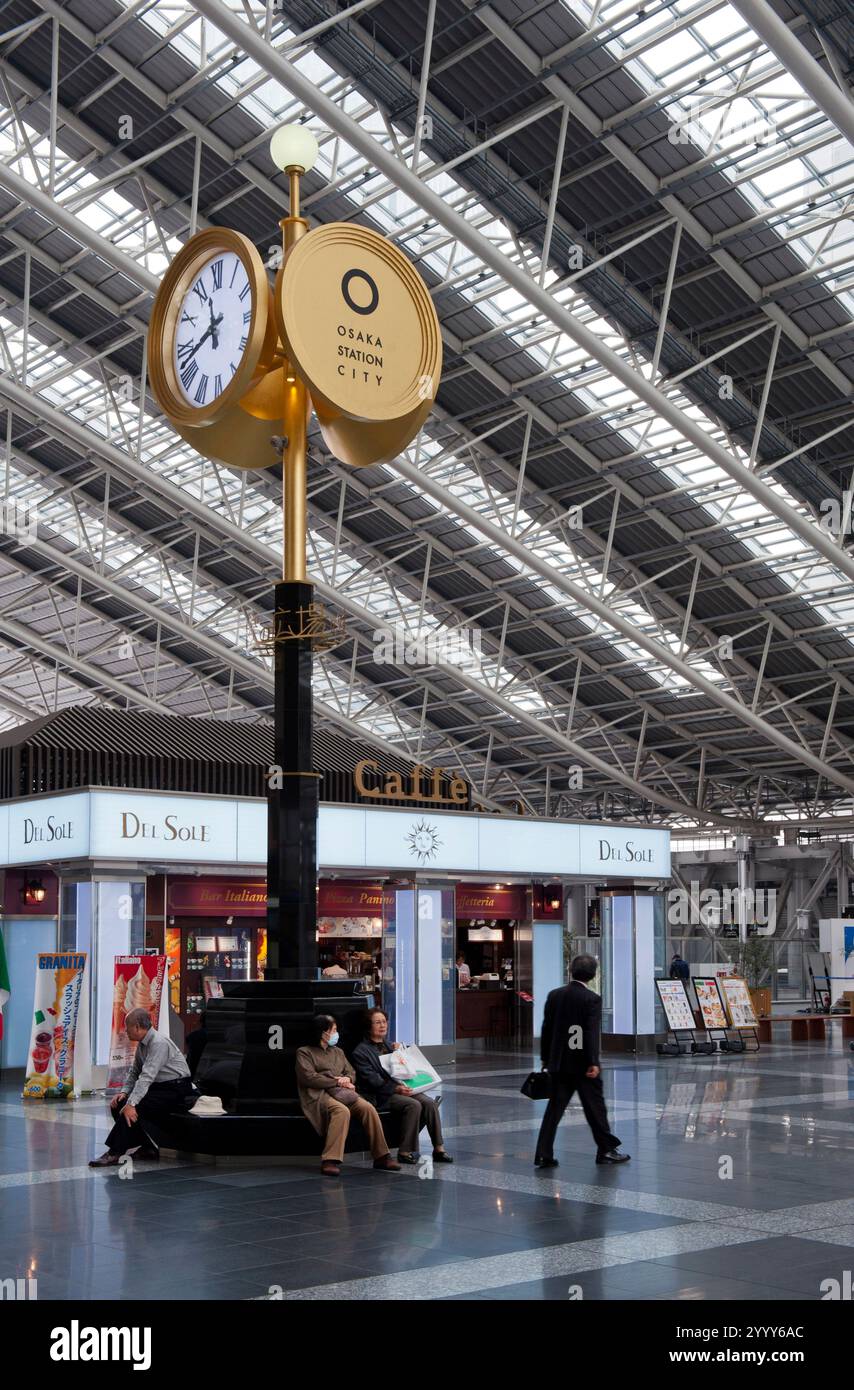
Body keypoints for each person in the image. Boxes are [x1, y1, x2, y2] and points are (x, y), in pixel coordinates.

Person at [534, 955, 630, 1169]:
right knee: (595, 1107)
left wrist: (545, 1058)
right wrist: (593, 1061)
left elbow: (546, 1028)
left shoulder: (555, 995)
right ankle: (606, 1150)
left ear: (571, 970)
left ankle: (543, 1153)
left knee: (554, 1110)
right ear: (593, 974)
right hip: (582, 1065)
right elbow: (590, 1033)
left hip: (559, 1063)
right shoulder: (592, 999)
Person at [295, 1014, 400, 1177]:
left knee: (367, 1108)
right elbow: (309, 1078)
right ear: (323, 1033)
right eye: (334, 1030)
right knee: (341, 1111)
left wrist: (348, 1079)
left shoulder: (338, 1051)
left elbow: (351, 1071)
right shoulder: (304, 1052)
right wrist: (336, 1081)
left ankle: (381, 1156)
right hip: (319, 1095)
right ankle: (330, 1160)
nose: (337, 1034)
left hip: (343, 1093)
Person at [89, 1008, 197, 1167]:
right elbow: (135, 1072)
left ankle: (114, 1152)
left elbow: (147, 1076)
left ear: (138, 1027)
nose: (126, 1031)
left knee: (133, 1107)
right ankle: (147, 1146)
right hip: (160, 1087)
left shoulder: (159, 1043)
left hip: (177, 1089)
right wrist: (124, 1093)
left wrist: (132, 1104)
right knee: (119, 1104)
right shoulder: (143, 1044)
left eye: (128, 1028)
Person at [352, 1007, 453, 1166]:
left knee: (429, 1103)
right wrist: (395, 1089)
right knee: (413, 1105)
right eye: (377, 1022)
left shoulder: (389, 1045)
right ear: (368, 1026)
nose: (382, 1025)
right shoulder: (361, 1051)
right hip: (381, 1094)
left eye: (384, 1022)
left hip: (401, 1088)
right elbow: (372, 1080)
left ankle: (439, 1148)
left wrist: (401, 1052)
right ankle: (405, 1151)